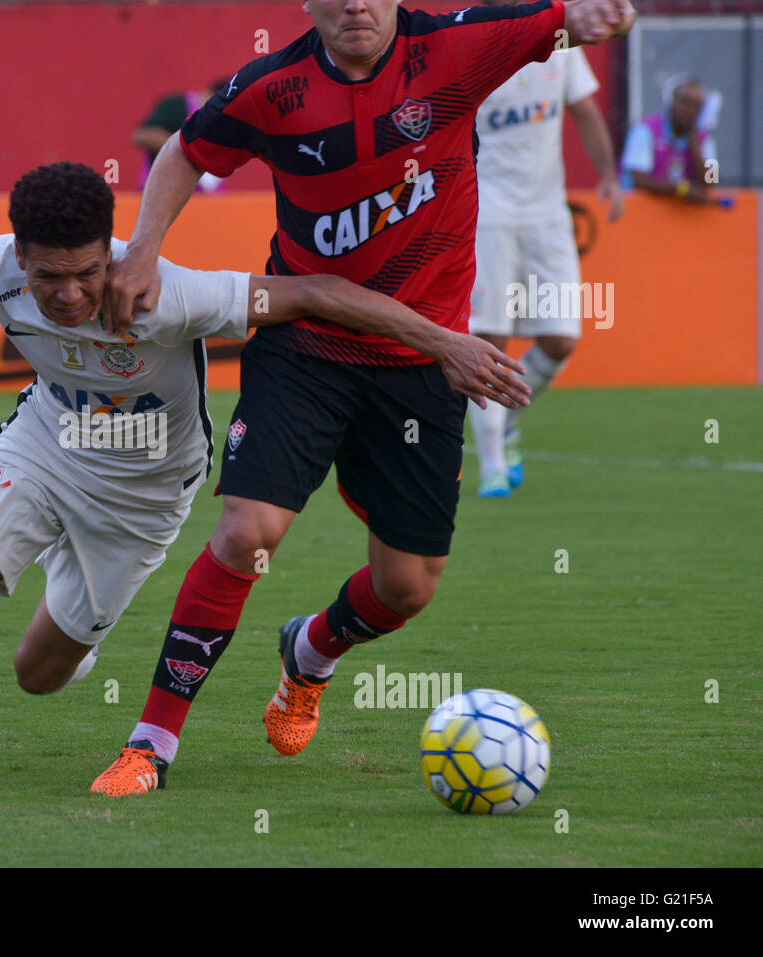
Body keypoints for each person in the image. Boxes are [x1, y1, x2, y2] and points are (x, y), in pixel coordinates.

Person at [0, 162, 522, 777]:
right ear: (20, 257)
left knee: (39, 676)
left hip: (140, 500)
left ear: (114, 252)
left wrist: (442, 340)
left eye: (86, 272)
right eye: (47, 276)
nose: (67, 294)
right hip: (42, 451)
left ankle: (79, 630)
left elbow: (311, 291)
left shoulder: (170, 294)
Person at [92, 0, 635, 796]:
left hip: (422, 361)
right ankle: (150, 742)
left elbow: (564, 18)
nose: (356, 4)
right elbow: (183, 150)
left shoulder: (458, 49)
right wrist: (142, 251)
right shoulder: (271, 88)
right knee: (248, 532)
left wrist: (599, 15)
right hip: (306, 343)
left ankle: (309, 654)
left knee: (407, 585)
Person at [467, 0, 624, 498]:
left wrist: (608, 177)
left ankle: (506, 421)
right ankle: (491, 462)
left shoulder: (561, 40)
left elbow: (584, 110)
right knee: (489, 337)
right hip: (489, 209)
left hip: (547, 214)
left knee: (562, 338)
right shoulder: (475, 43)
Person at [619, 75, 718, 204]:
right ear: (670, 103)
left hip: (679, 218)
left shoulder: (705, 139)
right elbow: (638, 179)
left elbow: (712, 180)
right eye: (684, 102)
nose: (690, 110)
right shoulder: (644, 130)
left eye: (696, 106)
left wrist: (695, 145)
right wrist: (682, 189)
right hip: (638, 212)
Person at [134, 82, 228, 192]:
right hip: (162, 196)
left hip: (206, 202)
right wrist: (188, 151)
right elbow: (142, 135)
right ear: (209, 96)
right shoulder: (178, 106)